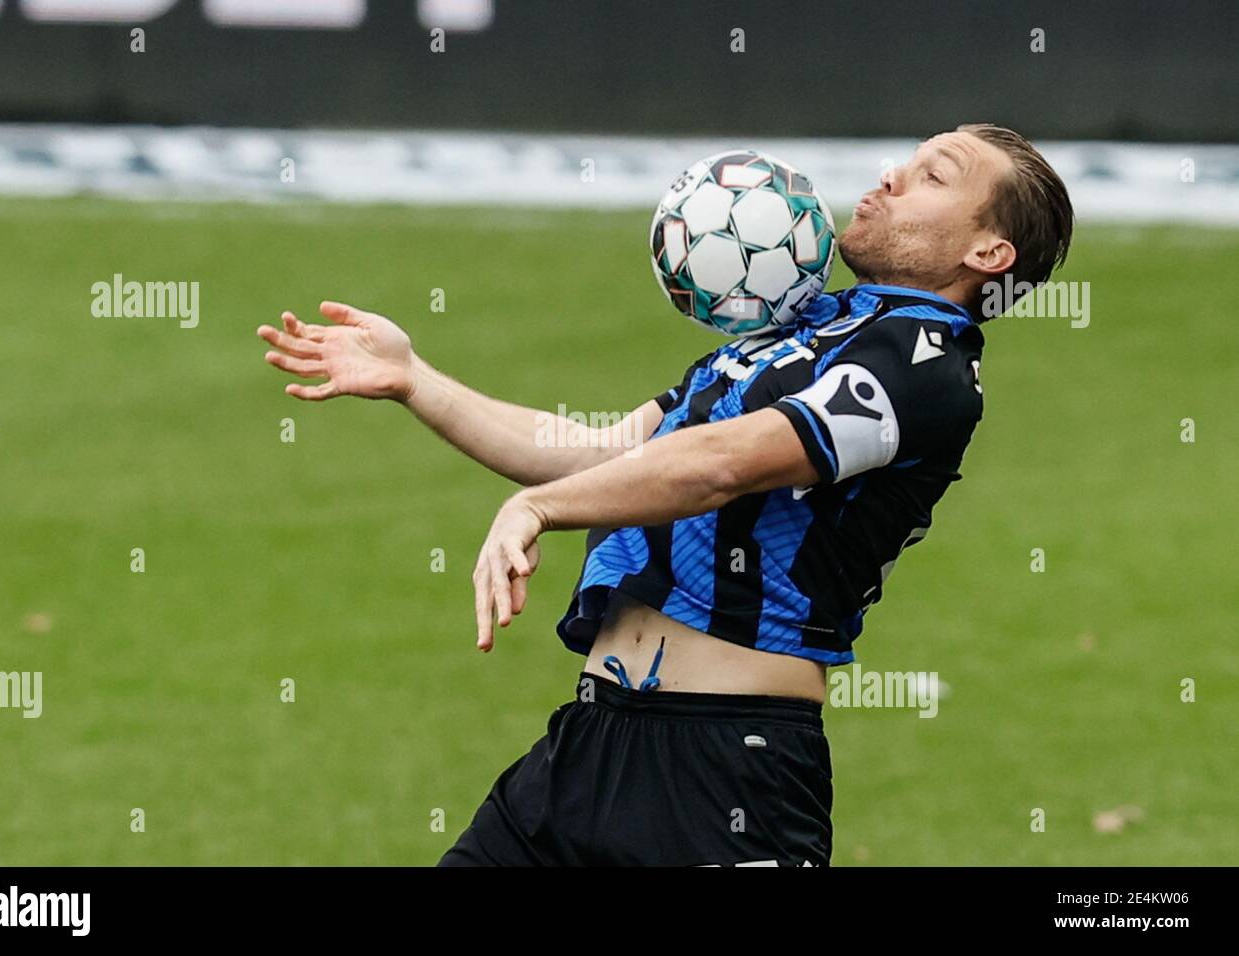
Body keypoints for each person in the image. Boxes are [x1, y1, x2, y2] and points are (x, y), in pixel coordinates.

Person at [256, 123, 1073, 866]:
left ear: (989, 254)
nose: (893, 177)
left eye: (936, 177)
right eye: (908, 159)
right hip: (586, 747)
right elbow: (596, 452)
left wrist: (538, 511)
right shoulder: (800, 330)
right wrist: (415, 379)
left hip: (727, 776)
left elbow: (723, 463)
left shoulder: (928, 370)